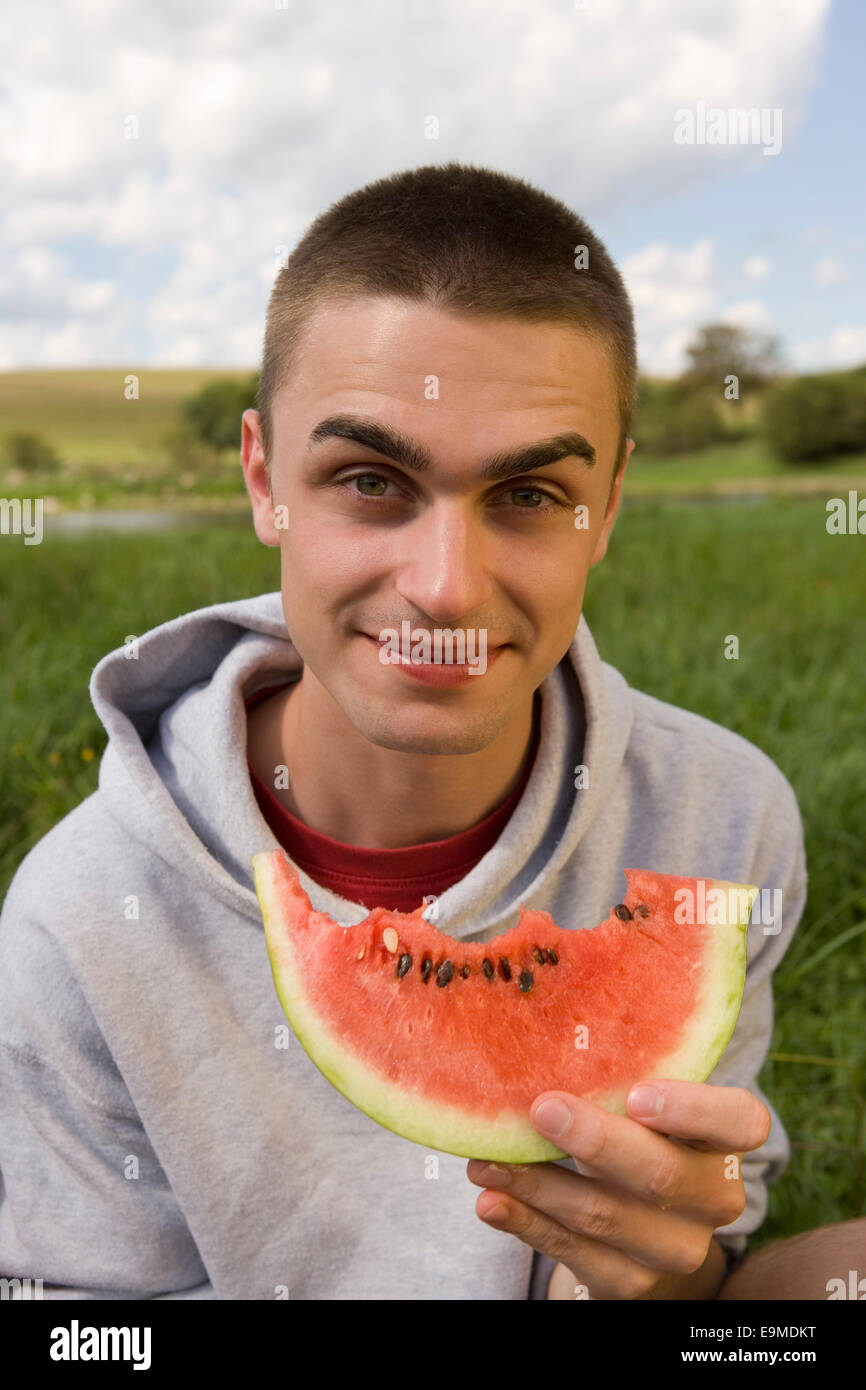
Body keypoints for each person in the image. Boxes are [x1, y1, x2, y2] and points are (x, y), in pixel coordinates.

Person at [0, 162, 818, 1300]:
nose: (444, 587)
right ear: (262, 478)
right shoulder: (76, 919)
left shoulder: (719, 817)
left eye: (528, 495)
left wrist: (671, 1269)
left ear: (610, 504)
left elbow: (694, 1258)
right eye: (371, 480)